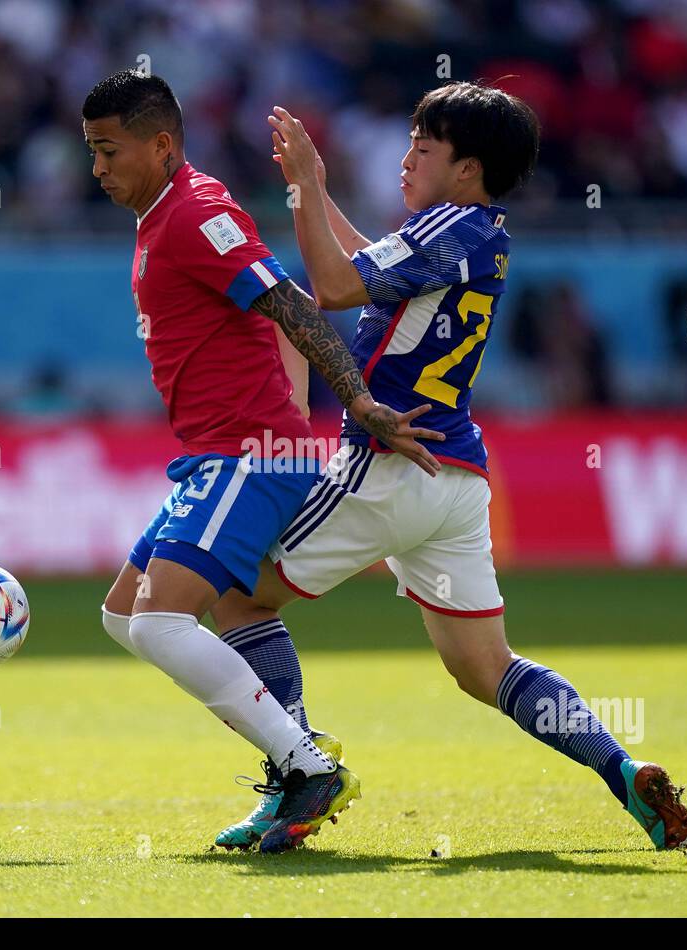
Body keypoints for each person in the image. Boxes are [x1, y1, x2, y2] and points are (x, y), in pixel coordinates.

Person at [209, 82, 687, 852]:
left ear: (467, 168)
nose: (405, 158)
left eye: (424, 147)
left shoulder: (446, 227)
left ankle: (298, 776)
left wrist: (304, 186)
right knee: (486, 667)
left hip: (388, 461)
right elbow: (360, 264)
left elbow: (335, 287)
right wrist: (319, 194)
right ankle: (623, 769)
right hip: (457, 480)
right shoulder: (477, 233)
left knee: (238, 600)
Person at [85, 70, 442, 853]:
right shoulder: (160, 215)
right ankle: (297, 763)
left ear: (162, 144)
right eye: (91, 152)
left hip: (247, 455)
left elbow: (290, 302)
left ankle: (302, 763)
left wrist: (356, 401)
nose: (98, 168)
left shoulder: (196, 213)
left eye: (109, 151)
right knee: (124, 614)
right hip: (216, 457)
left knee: (162, 618)